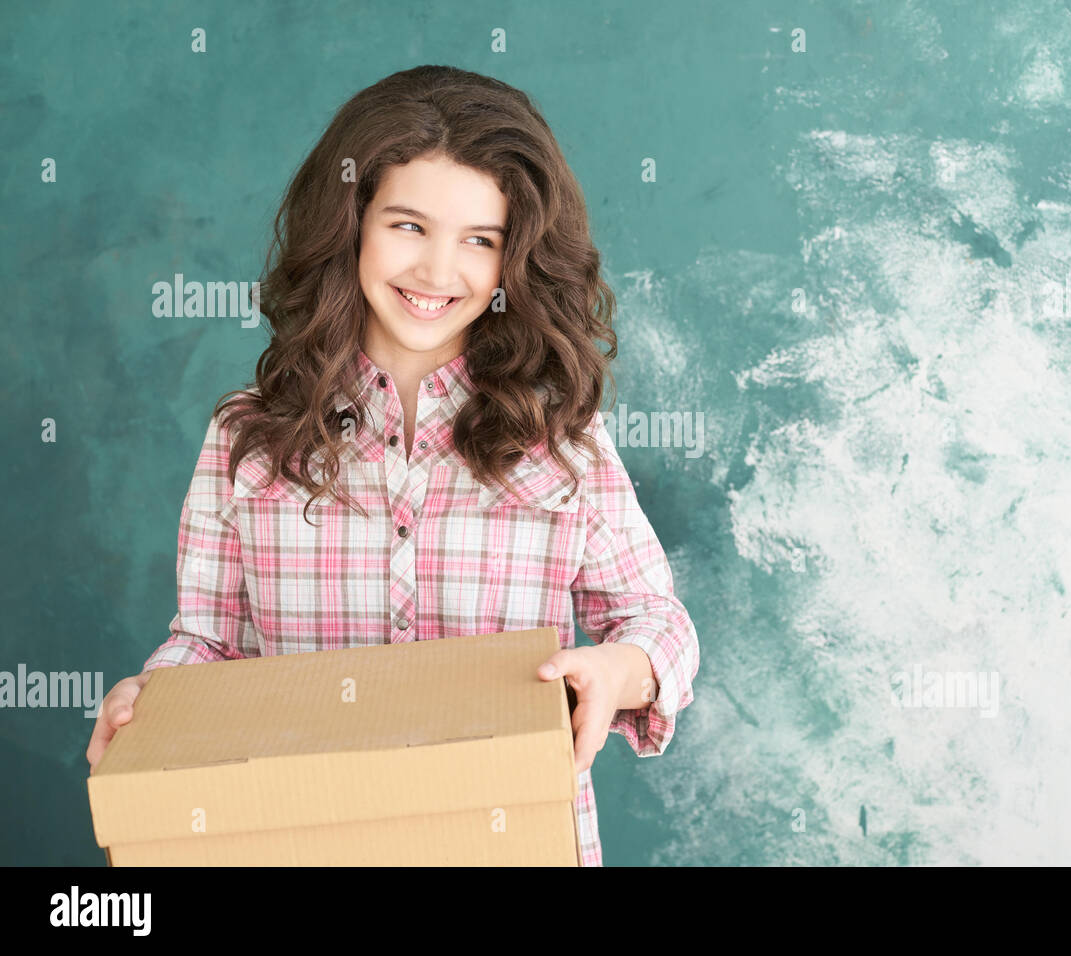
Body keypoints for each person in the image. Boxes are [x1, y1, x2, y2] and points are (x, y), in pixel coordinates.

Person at [84, 64, 700, 867]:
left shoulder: (562, 436)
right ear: (351, 222)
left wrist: (621, 670)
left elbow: (659, 623)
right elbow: (207, 642)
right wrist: (151, 701)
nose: (439, 272)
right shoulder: (249, 436)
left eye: (480, 240)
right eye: (407, 225)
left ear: (515, 259)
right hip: (300, 843)